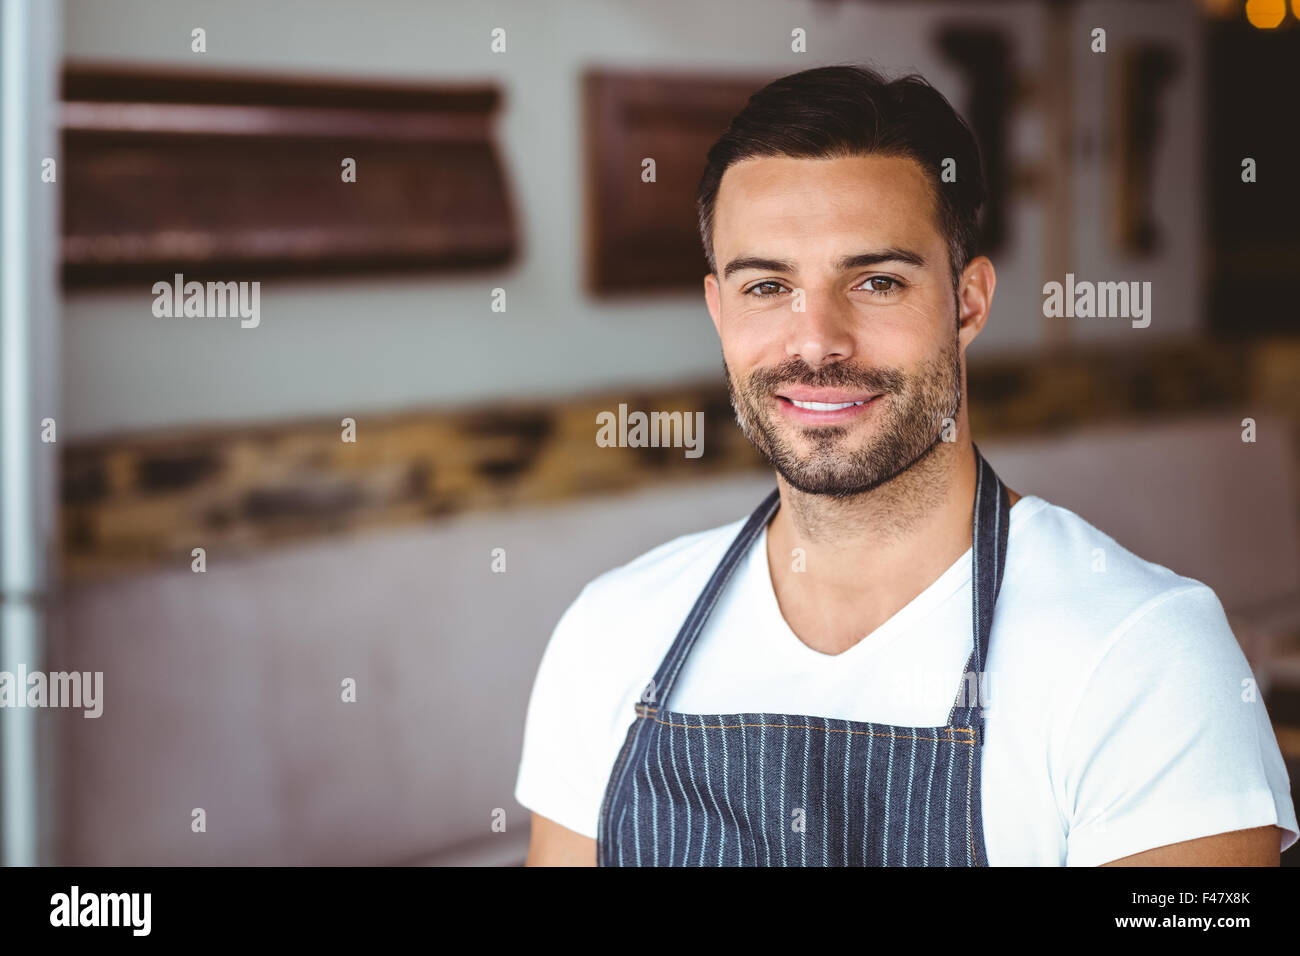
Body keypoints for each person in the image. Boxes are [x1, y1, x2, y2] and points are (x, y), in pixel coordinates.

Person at [515, 64, 1298, 866]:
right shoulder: (609, 635)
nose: (815, 339)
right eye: (767, 286)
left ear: (969, 303)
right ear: (718, 310)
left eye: (878, 281)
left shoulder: (1144, 655)